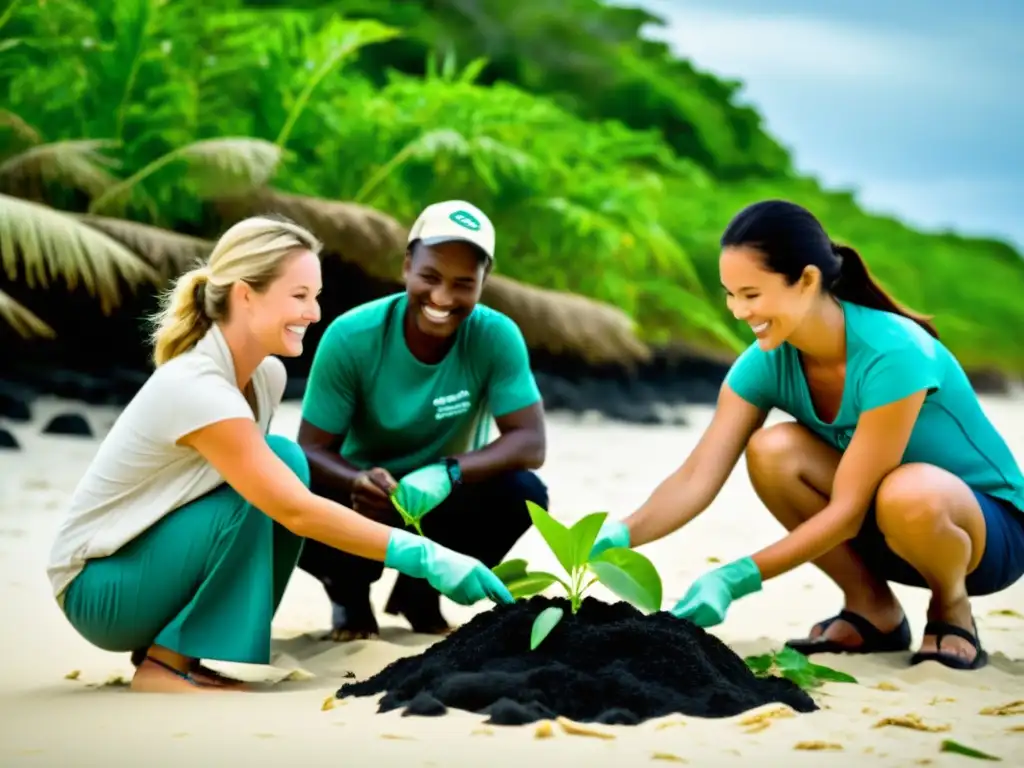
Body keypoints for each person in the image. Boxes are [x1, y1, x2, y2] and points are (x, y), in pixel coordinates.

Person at [46, 215, 513, 693]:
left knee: (282, 461)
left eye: (315, 296)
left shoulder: (264, 376)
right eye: (299, 296)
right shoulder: (198, 386)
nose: (314, 313)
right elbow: (293, 510)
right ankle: (165, 666)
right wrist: (428, 556)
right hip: (98, 590)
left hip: (143, 572)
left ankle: (176, 650)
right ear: (246, 295)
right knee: (284, 468)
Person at [590, 199, 1024, 671]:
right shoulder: (765, 361)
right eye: (730, 294)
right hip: (882, 524)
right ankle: (871, 609)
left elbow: (846, 511)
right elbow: (697, 475)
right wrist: (620, 534)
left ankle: (950, 606)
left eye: (752, 294)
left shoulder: (893, 353)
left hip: (983, 535)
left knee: (909, 490)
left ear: (808, 280)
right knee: (772, 450)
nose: (738, 311)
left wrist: (736, 578)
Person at [296, 199, 548, 640]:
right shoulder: (351, 335)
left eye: (463, 284)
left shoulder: (495, 336)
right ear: (407, 265)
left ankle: (420, 593)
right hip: (360, 495)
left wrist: (448, 472)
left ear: (483, 282)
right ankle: (348, 595)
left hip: (441, 498)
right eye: (430, 277)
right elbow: (311, 449)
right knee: (290, 481)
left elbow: (530, 442)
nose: (443, 298)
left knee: (525, 494)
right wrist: (356, 481)